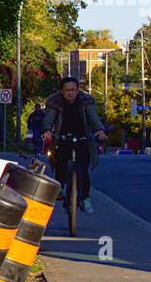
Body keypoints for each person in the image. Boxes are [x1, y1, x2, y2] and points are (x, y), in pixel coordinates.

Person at [43, 76, 108, 214]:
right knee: (60, 161)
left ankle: (85, 198)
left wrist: (100, 130)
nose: (70, 93)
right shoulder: (56, 103)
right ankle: (60, 188)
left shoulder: (85, 102)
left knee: (84, 170)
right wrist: (47, 130)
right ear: (62, 91)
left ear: (78, 90)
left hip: (82, 139)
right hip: (63, 138)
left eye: (73, 89)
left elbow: (93, 118)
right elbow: (49, 118)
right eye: (67, 90)